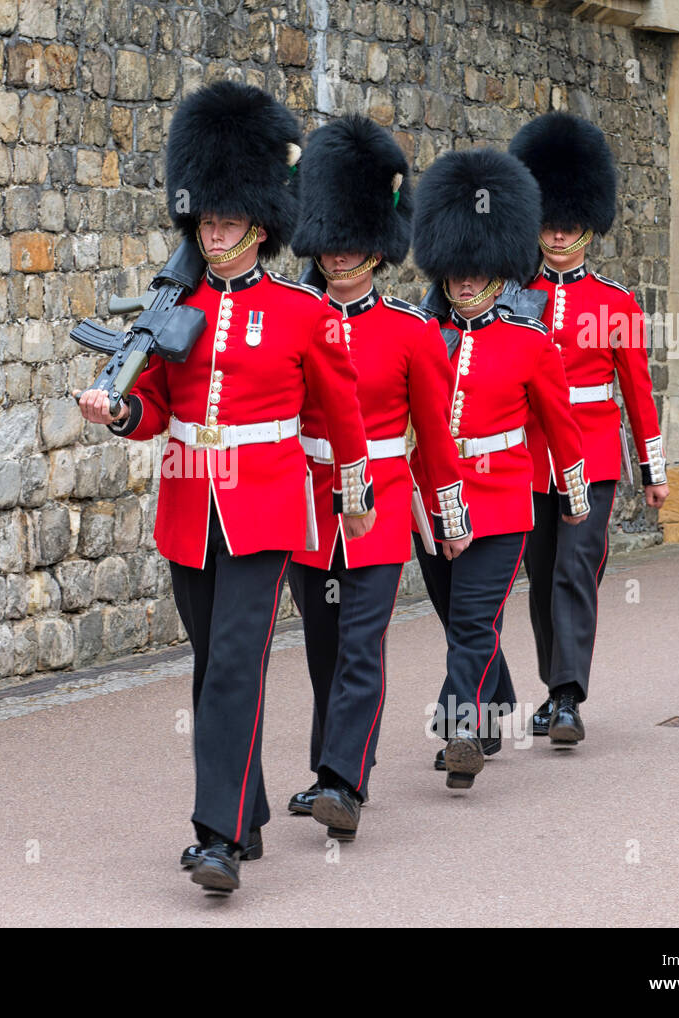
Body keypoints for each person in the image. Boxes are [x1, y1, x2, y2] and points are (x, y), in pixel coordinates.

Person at [75, 82, 376, 894]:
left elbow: (341, 413)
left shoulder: (301, 313)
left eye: (228, 221)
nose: (214, 234)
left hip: (269, 506)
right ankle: (244, 817)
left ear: (260, 225)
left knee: (238, 663)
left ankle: (213, 838)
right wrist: (118, 409)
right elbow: (158, 412)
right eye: (205, 220)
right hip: (189, 502)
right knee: (212, 665)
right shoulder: (174, 307)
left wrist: (355, 490)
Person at [280, 115, 469, 840]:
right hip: (310, 504)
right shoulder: (295, 317)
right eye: (328, 240)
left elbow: (436, 437)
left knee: (362, 646)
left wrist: (448, 520)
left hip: (383, 506)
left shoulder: (412, 332)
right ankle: (328, 767)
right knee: (324, 649)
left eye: (353, 240)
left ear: (380, 243)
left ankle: (343, 782)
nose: (338, 254)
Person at [409, 147, 591, 789]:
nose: (463, 282)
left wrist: (573, 494)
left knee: (471, 622)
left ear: (500, 272)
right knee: (461, 619)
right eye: (454, 270)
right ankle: (494, 708)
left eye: (476, 270)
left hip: (501, 501)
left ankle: (461, 732)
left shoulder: (530, 341)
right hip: (432, 502)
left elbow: (561, 424)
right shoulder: (424, 333)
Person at [509, 113, 670, 745]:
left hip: (594, 457)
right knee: (541, 572)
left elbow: (637, 392)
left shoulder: (617, 303)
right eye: (548, 224)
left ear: (588, 229)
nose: (555, 235)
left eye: (568, 226)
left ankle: (569, 696)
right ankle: (556, 687)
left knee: (576, 569)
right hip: (529, 456)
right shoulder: (516, 293)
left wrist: (652, 471)